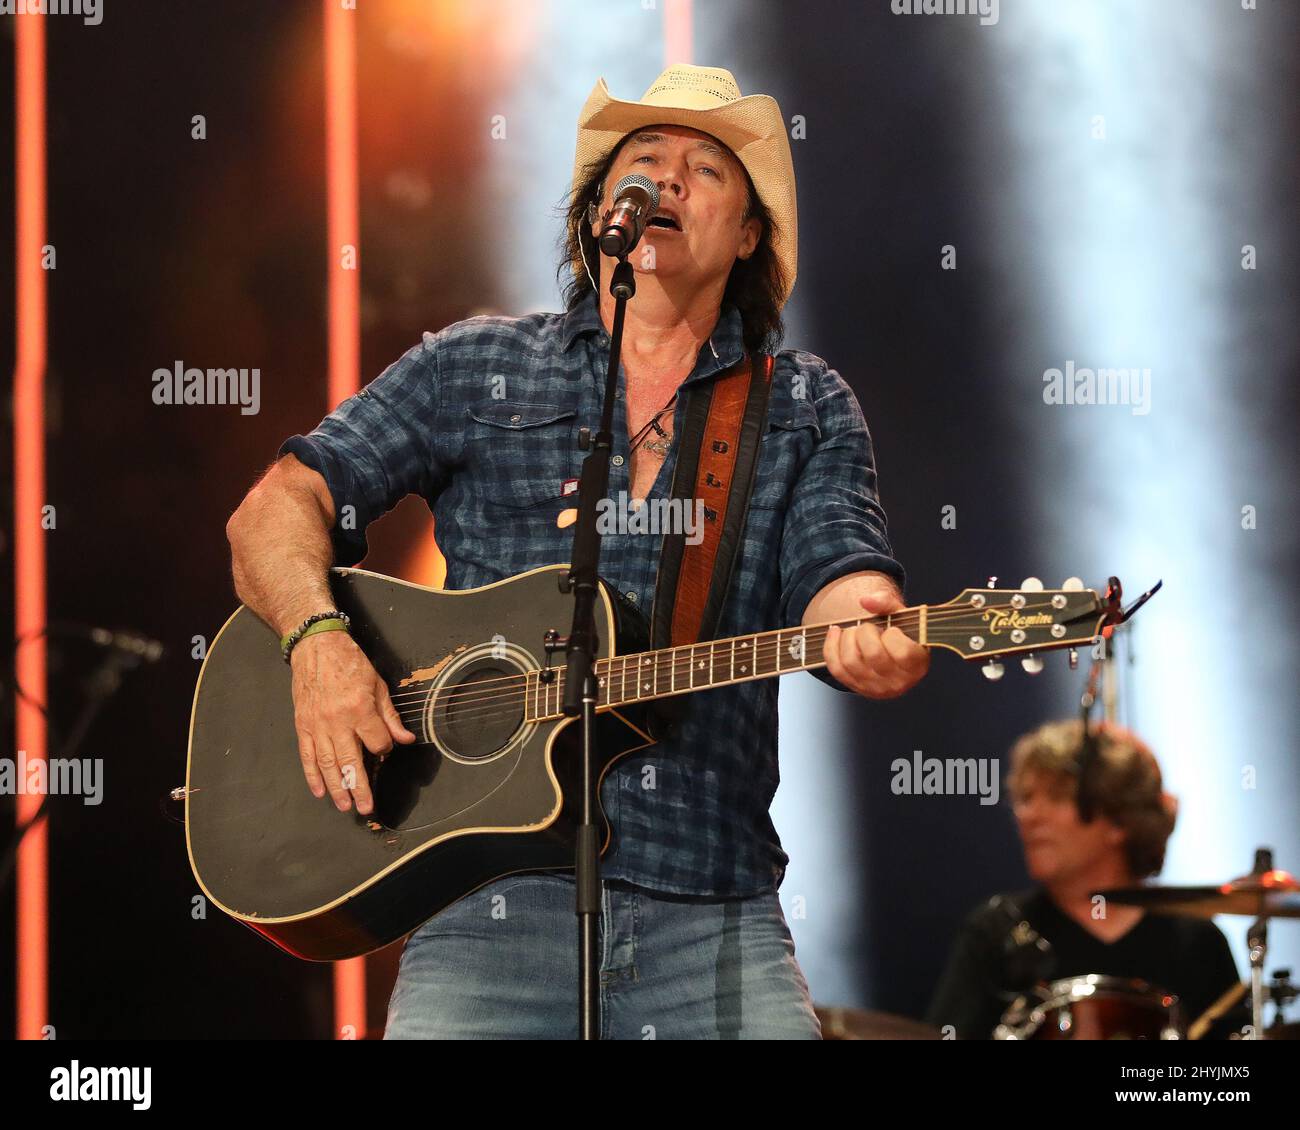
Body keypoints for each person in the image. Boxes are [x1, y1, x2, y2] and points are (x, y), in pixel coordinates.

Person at [226, 64, 930, 1039]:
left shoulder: (802, 401)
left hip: (710, 909)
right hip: (484, 915)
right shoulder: (476, 364)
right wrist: (317, 642)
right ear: (601, 210)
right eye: (643, 162)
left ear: (749, 232)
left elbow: (836, 572)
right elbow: (275, 508)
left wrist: (863, 626)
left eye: (705, 169)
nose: (668, 180)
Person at [926, 719, 1240, 1039]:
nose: (1030, 815)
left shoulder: (1197, 943)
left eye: (1056, 797)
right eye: (1025, 798)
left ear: (1119, 820)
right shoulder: (996, 932)